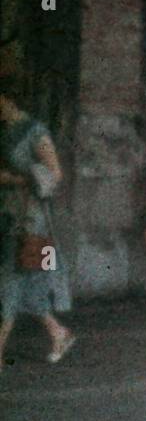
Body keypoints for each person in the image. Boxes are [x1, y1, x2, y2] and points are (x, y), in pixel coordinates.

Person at [0, 85, 76, 373]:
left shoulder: (34, 131)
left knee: (12, 278)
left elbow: (54, 174)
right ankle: (59, 334)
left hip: (32, 220)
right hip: (13, 214)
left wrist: (15, 179)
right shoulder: (7, 131)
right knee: (30, 284)